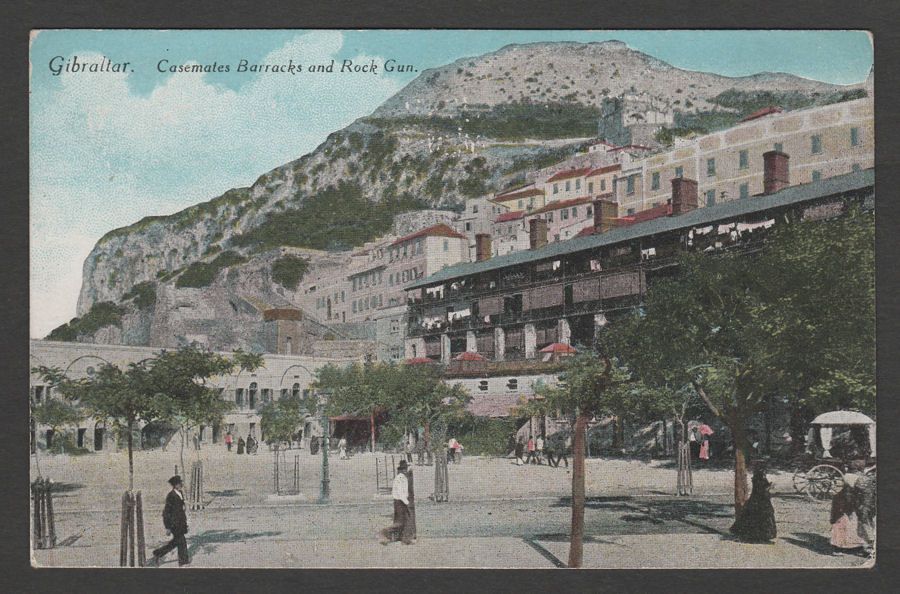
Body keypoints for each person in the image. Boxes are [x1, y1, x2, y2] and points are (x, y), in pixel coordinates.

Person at [151, 475, 190, 567]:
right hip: (174, 524)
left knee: (176, 542)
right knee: (182, 541)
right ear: (174, 485)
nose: (181, 484)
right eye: (178, 483)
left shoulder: (180, 493)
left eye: (181, 483)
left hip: (180, 523)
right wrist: (167, 527)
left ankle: (158, 553)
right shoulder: (171, 496)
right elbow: (166, 512)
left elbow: (181, 510)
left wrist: (185, 524)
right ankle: (183, 562)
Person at [729, 468, 777, 543]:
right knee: (760, 518)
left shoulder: (760, 479)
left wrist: (769, 486)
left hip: (759, 501)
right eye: (764, 472)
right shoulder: (758, 479)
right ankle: (760, 536)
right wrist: (769, 487)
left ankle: (760, 536)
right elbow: (761, 490)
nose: (765, 474)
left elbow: (764, 488)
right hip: (760, 502)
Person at [830, 473, 867, 554]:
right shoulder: (845, 492)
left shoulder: (853, 490)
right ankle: (838, 548)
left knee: (853, 527)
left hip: (850, 510)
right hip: (842, 512)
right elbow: (845, 503)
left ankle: (855, 547)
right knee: (842, 527)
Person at [380, 460, 413, 545]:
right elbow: (400, 492)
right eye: (405, 469)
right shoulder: (400, 478)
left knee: (404, 521)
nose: (406, 470)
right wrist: (406, 502)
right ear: (402, 470)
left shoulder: (403, 478)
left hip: (401, 501)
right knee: (400, 522)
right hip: (400, 501)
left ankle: (404, 539)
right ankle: (385, 532)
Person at [848, 460, 876, 553]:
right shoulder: (869, 479)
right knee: (870, 522)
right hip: (871, 505)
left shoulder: (859, 480)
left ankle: (868, 546)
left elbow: (853, 495)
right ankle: (871, 543)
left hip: (862, 506)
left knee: (863, 525)